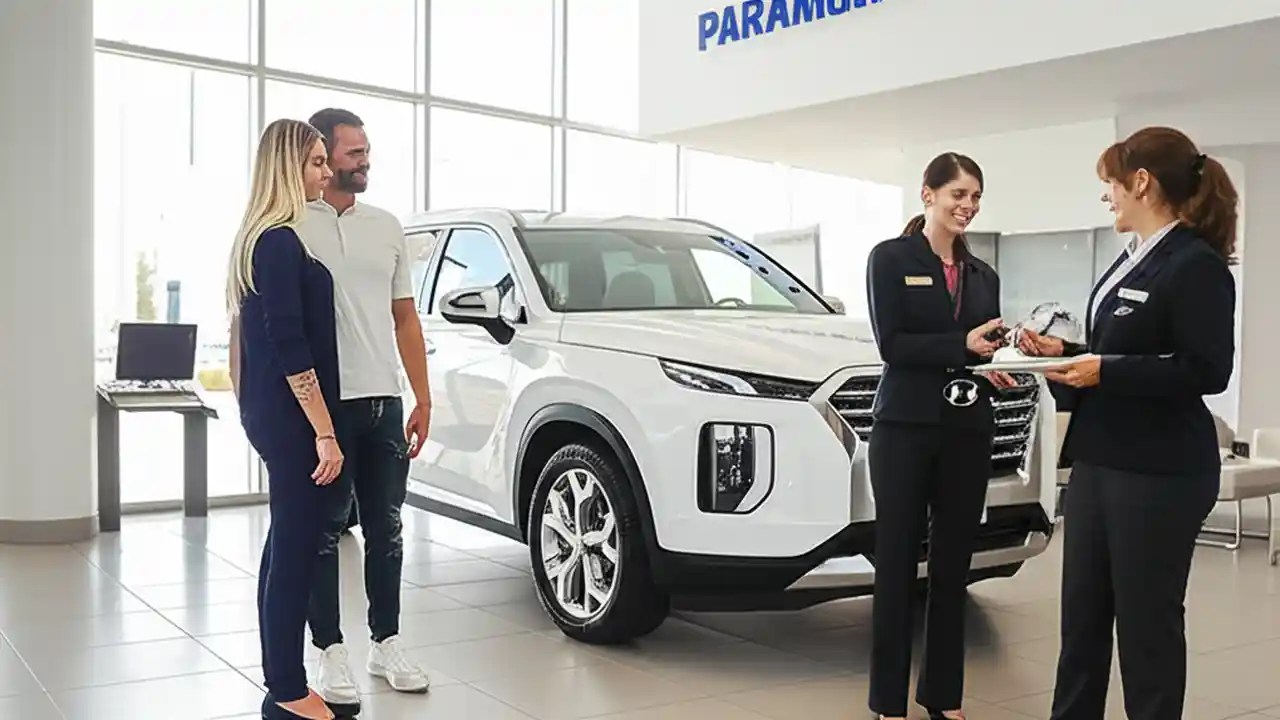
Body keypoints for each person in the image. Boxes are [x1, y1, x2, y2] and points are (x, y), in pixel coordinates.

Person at [1020, 126, 1237, 720]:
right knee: (1081, 623)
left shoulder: (1195, 264)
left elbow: (1207, 368)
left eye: (1110, 184)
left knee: (1146, 629)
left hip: (1159, 471)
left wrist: (1105, 370)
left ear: (1141, 183)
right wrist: (1066, 353)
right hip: (1099, 462)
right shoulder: (1132, 259)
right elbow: (1121, 349)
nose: (1106, 196)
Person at [864, 152, 1015, 720]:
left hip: (966, 430)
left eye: (976, 197)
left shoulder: (984, 276)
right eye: (958, 194)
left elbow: (980, 351)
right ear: (928, 194)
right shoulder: (890, 258)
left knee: (953, 569)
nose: (968, 206)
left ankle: (944, 697)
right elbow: (893, 345)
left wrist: (997, 365)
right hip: (904, 430)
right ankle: (888, 702)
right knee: (897, 567)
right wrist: (962, 346)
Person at [297, 108, 433, 713]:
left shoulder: (386, 226)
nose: (364, 161)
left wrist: (422, 396)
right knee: (324, 533)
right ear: (321, 156)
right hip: (325, 408)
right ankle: (330, 648)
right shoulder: (292, 226)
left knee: (388, 529)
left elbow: (405, 317)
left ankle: (386, 641)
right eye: (353, 152)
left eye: (366, 151)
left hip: (384, 401)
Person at [227, 118, 340, 720]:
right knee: (295, 550)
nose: (326, 171)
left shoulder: (263, 240)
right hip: (294, 420)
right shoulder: (278, 242)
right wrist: (323, 430)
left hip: (275, 413)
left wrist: (253, 409)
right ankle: (289, 692)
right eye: (317, 161)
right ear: (288, 168)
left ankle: (285, 682)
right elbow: (290, 344)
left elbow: (242, 342)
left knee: (285, 544)